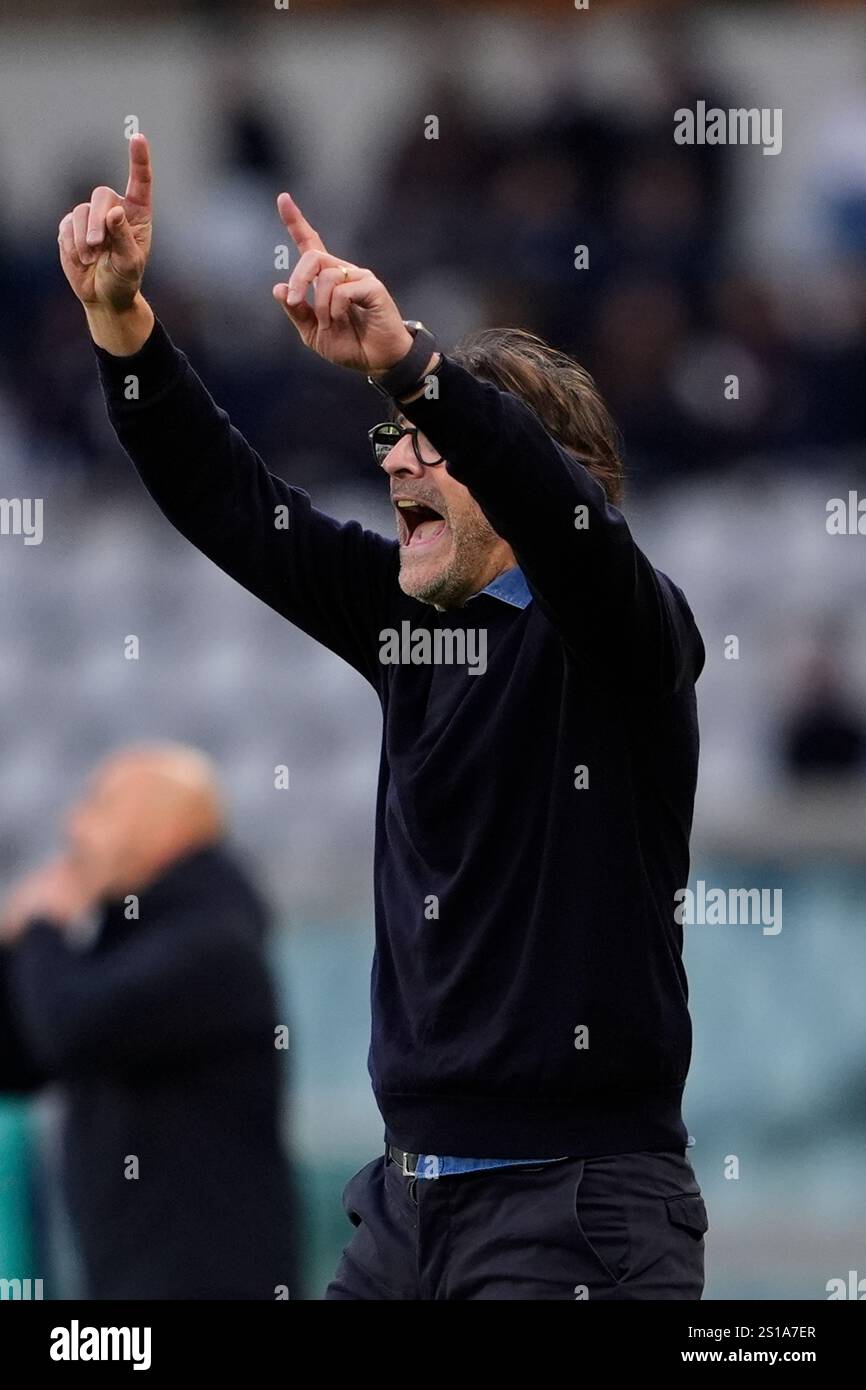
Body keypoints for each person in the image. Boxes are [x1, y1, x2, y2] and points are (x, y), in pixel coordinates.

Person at [56, 135, 708, 1300]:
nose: (398, 458)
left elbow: (553, 512)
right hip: (405, 1211)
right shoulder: (409, 627)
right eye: (392, 437)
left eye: (428, 441)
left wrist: (409, 363)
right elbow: (227, 499)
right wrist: (122, 323)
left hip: (576, 1213)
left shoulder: (623, 637)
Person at [0, 743, 296, 1300]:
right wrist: (16, 948)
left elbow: (73, 1030)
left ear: (167, 830)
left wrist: (42, 927)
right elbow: (20, 1060)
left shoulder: (212, 945)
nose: (74, 824)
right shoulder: (127, 939)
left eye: (101, 804)